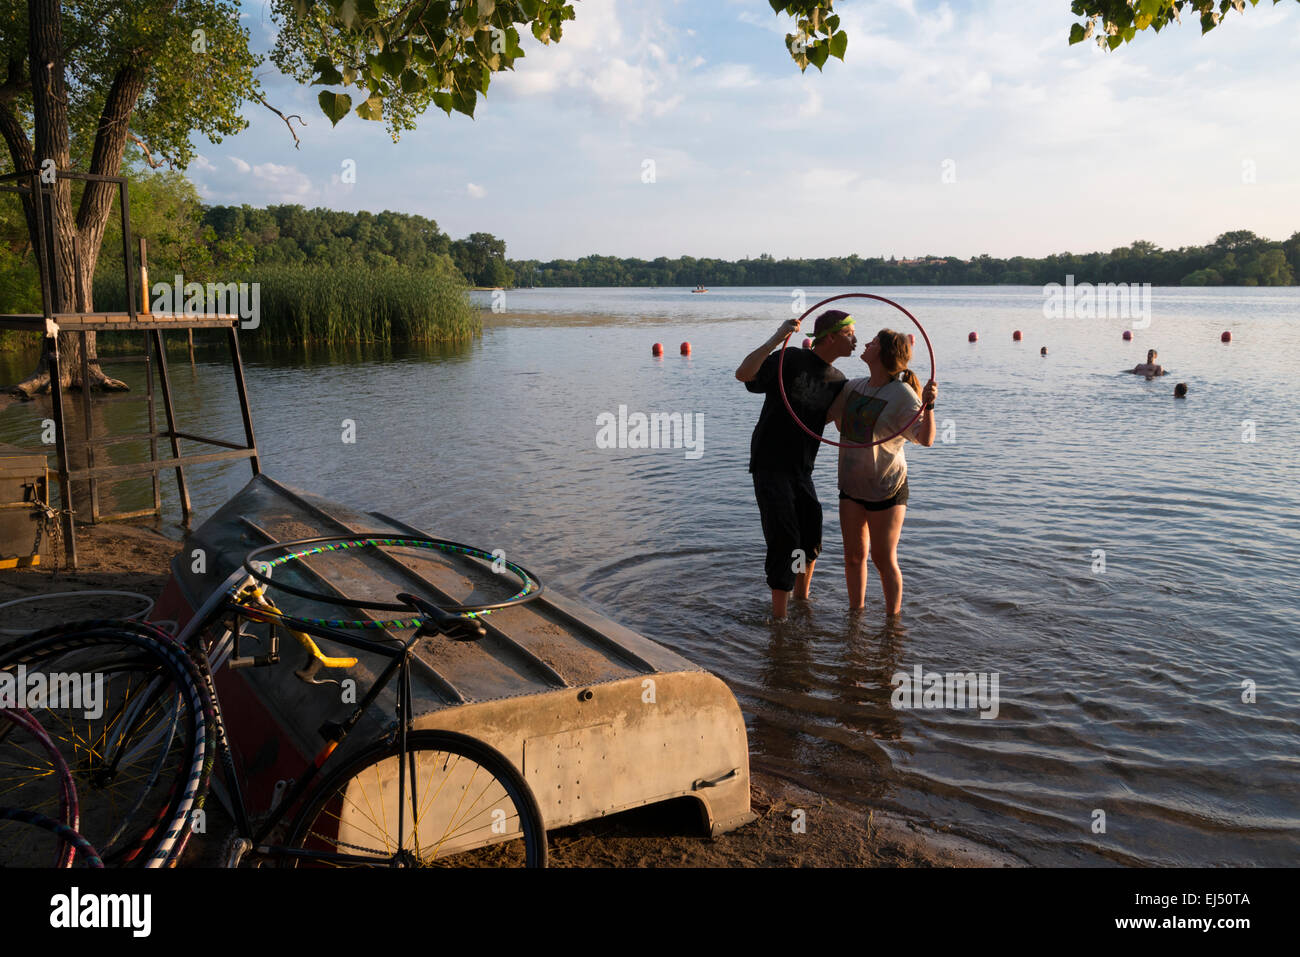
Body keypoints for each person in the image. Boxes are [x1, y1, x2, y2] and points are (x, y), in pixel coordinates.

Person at [736, 310, 856, 618]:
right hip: (769, 462)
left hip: (802, 468)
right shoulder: (791, 358)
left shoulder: (840, 382)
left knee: (809, 534)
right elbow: (744, 374)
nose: (855, 340)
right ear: (830, 337)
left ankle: (802, 601)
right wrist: (777, 337)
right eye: (849, 334)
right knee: (785, 538)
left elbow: (839, 425)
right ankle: (780, 618)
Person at [827, 329, 937, 616]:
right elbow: (830, 420)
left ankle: (893, 623)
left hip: (887, 485)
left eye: (873, 342)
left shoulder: (902, 395)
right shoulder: (853, 387)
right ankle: (856, 618)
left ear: (884, 353)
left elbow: (924, 439)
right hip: (851, 486)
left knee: (882, 558)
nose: (866, 343)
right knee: (853, 557)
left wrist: (929, 405)